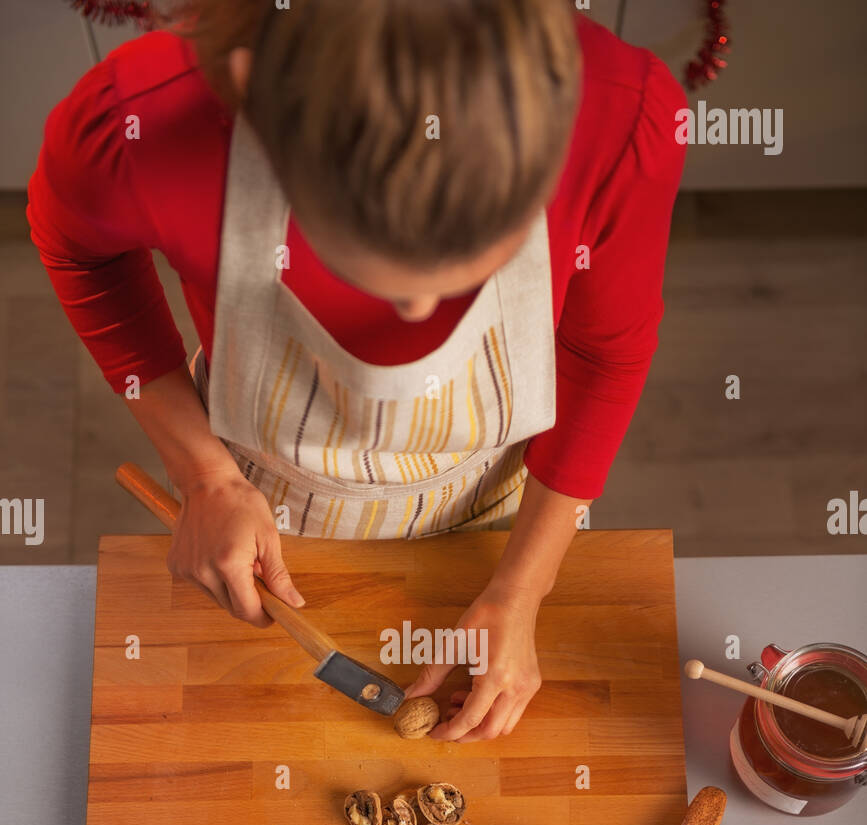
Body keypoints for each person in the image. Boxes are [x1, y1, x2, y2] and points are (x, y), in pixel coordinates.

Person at [28, 0, 686, 741]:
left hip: (488, 494)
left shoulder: (623, 114)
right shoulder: (144, 120)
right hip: (258, 490)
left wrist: (522, 587)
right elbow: (79, 251)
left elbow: (604, 351)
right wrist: (203, 476)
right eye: (377, 274)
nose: (419, 317)